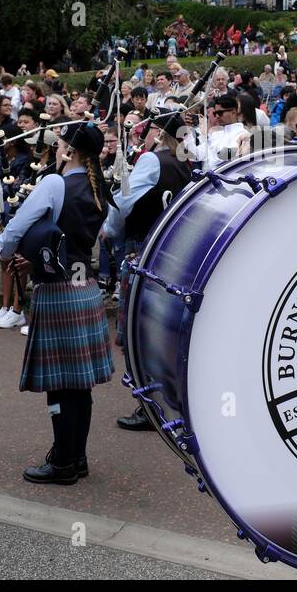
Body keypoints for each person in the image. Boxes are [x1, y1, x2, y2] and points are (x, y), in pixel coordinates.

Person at [0, 121, 114, 485]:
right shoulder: (101, 190)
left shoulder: (54, 183)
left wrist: (4, 251)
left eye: (62, 144)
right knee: (79, 384)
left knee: (59, 383)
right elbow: (110, 234)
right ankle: (76, 457)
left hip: (58, 289)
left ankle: (62, 461)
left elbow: (18, 225)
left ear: (70, 151)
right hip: (86, 285)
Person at [101, 111, 194, 431]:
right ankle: (175, 402)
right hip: (178, 256)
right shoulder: (190, 162)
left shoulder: (153, 161)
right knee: (168, 332)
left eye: (151, 128)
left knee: (139, 334)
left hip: (145, 252)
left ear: (160, 132)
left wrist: (110, 229)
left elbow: (124, 202)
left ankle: (151, 407)